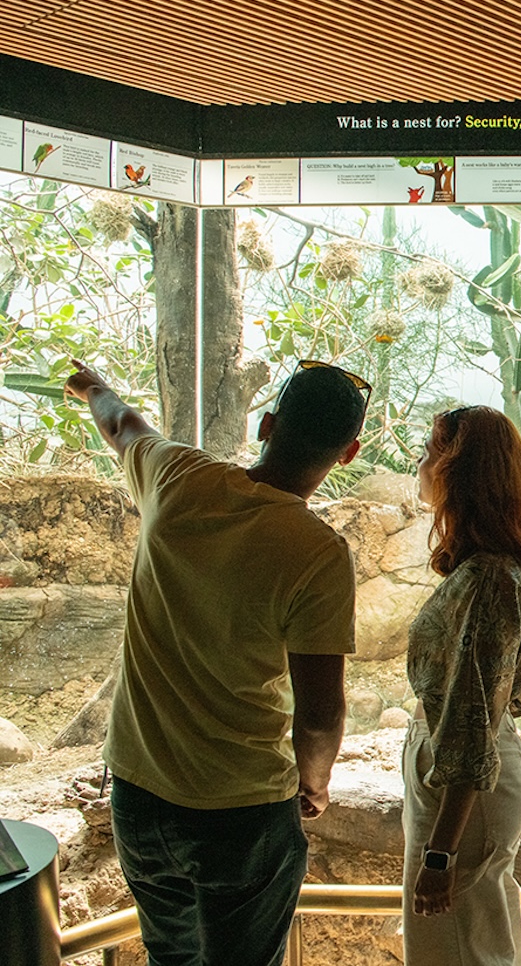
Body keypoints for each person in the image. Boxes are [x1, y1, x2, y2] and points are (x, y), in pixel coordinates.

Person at [64, 357, 367, 966]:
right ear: (348, 454)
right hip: (240, 810)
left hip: (138, 793)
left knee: (168, 956)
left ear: (266, 425)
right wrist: (314, 782)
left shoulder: (178, 476)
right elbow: (319, 712)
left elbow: (122, 424)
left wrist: (92, 387)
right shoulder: (318, 553)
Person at [403, 406, 521, 965]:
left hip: (462, 789)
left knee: (458, 952)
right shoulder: (499, 566)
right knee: (473, 944)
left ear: (456, 469)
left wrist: (439, 855)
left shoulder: (490, 575)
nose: (419, 463)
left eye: (427, 450)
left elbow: (471, 718)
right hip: (462, 779)